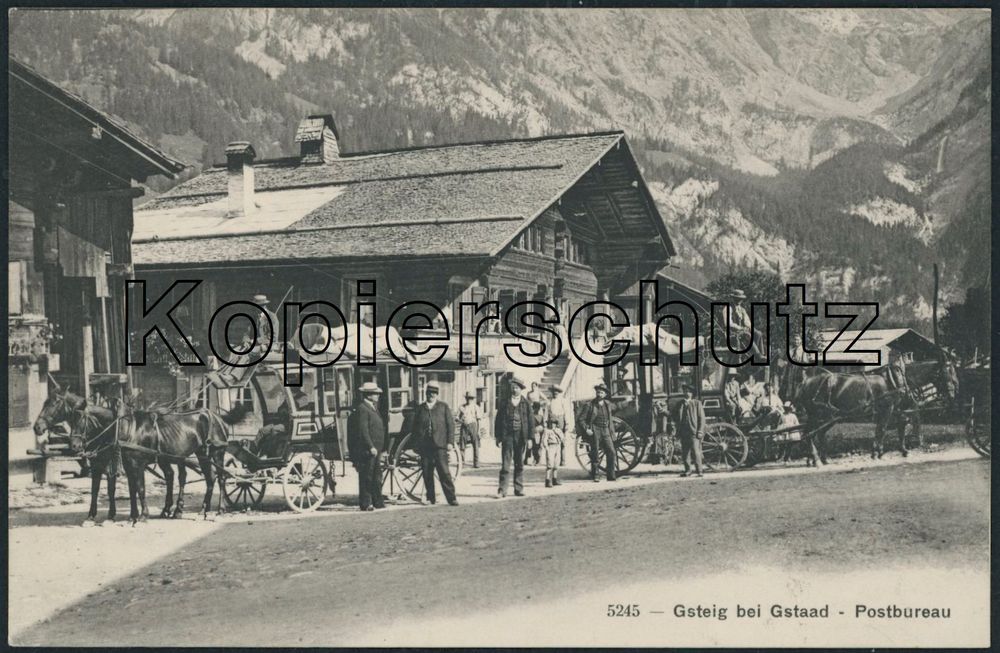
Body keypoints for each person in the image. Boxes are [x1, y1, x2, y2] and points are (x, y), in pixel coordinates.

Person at [410, 384, 459, 506]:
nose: (431, 395)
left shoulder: (443, 407)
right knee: (427, 472)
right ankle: (430, 497)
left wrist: (450, 442)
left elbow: (450, 426)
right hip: (425, 446)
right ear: (425, 394)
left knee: (444, 472)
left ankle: (451, 498)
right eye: (429, 393)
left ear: (437, 395)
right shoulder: (421, 409)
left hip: (440, 445)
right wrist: (415, 445)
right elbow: (415, 429)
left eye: (433, 393)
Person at [347, 382, 386, 511]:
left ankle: (377, 502)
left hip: (376, 448)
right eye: (375, 394)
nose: (378, 396)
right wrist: (370, 446)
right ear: (369, 395)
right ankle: (365, 503)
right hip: (368, 450)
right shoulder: (362, 409)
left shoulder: (372, 407)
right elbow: (363, 430)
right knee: (367, 476)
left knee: (376, 475)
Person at [494, 377, 534, 498]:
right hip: (507, 436)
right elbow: (498, 420)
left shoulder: (526, 404)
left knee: (519, 463)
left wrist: (530, 438)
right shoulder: (505, 402)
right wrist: (498, 437)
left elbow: (531, 422)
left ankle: (518, 488)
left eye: (516, 388)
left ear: (521, 389)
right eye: (513, 387)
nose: (514, 390)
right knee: (505, 464)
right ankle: (502, 490)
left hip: (521, 436)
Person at [580, 383, 617, 482]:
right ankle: (595, 475)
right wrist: (587, 429)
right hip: (595, 430)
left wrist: (611, 432)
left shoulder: (607, 404)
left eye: (601, 392)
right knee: (595, 452)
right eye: (598, 392)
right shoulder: (589, 405)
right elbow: (581, 419)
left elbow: (612, 416)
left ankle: (611, 475)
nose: (599, 394)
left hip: (606, 430)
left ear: (605, 394)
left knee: (612, 452)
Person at [675, 384, 705, 477]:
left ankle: (699, 471)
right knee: (685, 452)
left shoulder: (697, 403)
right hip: (684, 431)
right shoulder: (680, 403)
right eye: (685, 391)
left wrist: (700, 431)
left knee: (696, 451)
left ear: (692, 393)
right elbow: (674, 415)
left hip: (693, 431)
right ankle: (688, 470)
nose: (686, 393)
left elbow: (702, 418)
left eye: (688, 391)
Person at [546, 385, 573, 467]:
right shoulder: (549, 402)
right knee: (552, 441)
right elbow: (546, 413)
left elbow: (566, 413)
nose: (555, 393)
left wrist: (567, 423)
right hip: (551, 422)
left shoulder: (562, 401)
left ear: (559, 392)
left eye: (557, 391)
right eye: (554, 391)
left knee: (562, 441)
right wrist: (545, 422)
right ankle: (553, 460)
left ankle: (563, 460)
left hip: (561, 421)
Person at [457, 390, 484, 468]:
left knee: (475, 444)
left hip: (473, 425)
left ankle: (476, 463)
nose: (469, 400)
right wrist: (461, 420)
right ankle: (462, 462)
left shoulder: (476, 407)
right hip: (464, 426)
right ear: (466, 399)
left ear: (473, 399)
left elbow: (478, 419)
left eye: (471, 398)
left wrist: (478, 430)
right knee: (462, 444)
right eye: (468, 398)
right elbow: (457, 418)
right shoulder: (462, 407)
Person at [526, 381, 547, 465]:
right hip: (531, 408)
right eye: (532, 386)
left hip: (538, 407)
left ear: (537, 386)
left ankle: (537, 458)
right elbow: (527, 401)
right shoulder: (529, 393)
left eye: (534, 386)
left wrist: (540, 404)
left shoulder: (538, 392)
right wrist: (529, 405)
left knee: (537, 442)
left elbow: (545, 399)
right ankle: (528, 457)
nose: (533, 387)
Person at [540, 419, 564, 487]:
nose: (552, 425)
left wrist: (558, 433)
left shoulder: (558, 430)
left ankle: (554, 479)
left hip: (557, 446)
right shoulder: (547, 431)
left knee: (556, 464)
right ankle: (547, 480)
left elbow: (562, 438)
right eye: (551, 423)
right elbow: (544, 440)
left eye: (554, 423)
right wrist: (546, 448)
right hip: (551, 446)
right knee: (550, 464)